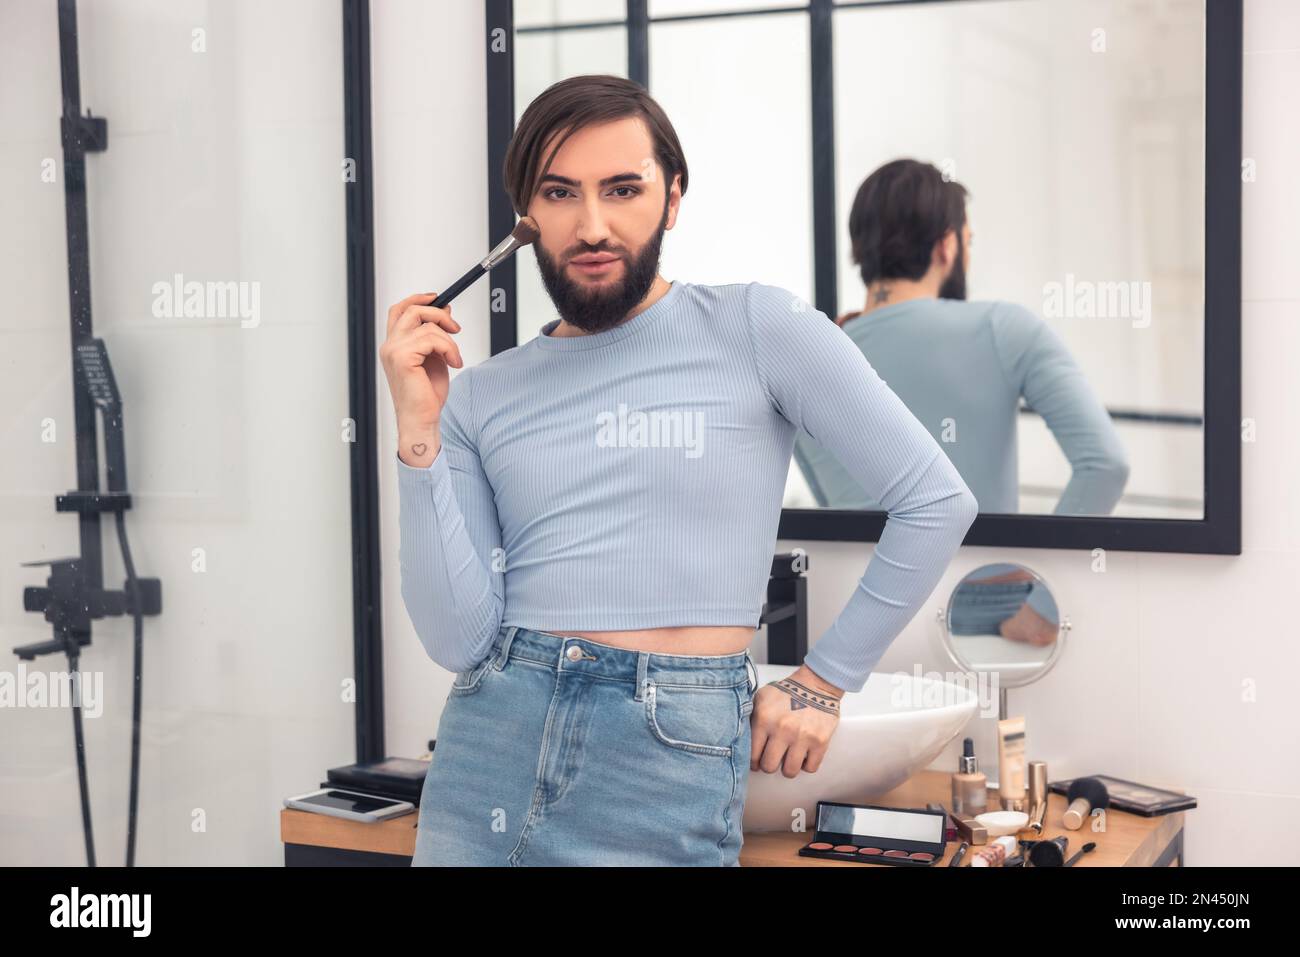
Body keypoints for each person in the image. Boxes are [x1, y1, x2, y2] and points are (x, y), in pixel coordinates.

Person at [380, 76, 977, 866]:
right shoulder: (478, 395)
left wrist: (822, 680)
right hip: (486, 754)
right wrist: (416, 435)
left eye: (622, 188)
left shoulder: (759, 327)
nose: (592, 225)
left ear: (672, 197)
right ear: (526, 219)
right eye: (560, 193)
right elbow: (459, 637)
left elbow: (936, 501)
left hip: (663, 772)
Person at [793, 158, 1130, 516]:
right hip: (984, 573)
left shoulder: (806, 364)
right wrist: (1034, 559)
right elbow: (1106, 466)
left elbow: (829, 514)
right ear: (947, 246)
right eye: (967, 241)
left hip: (862, 574)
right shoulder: (1004, 329)